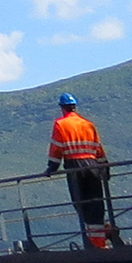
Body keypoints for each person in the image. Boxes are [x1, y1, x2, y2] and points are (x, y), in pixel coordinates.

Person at [46, 93, 119, 249]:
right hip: (93, 166)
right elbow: (98, 148)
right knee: (96, 203)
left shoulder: (60, 124)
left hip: (74, 167)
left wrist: (51, 168)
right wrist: (105, 167)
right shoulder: (88, 124)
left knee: (81, 204)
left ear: (62, 107)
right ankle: (102, 237)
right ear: (74, 106)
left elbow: (56, 148)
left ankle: (96, 243)